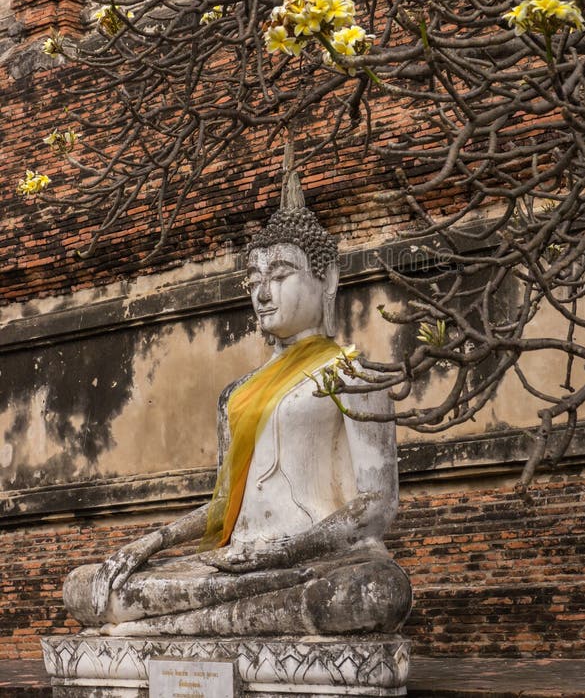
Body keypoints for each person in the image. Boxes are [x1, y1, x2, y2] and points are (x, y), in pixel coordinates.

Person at [62, 200, 412, 637]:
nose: (263, 294)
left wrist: (283, 552)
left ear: (329, 279)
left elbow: (376, 506)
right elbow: (226, 505)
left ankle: (162, 628)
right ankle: (196, 620)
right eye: (254, 281)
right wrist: (151, 542)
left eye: (280, 277)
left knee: (372, 592)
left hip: (314, 562)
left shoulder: (355, 375)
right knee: (87, 586)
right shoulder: (237, 395)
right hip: (236, 564)